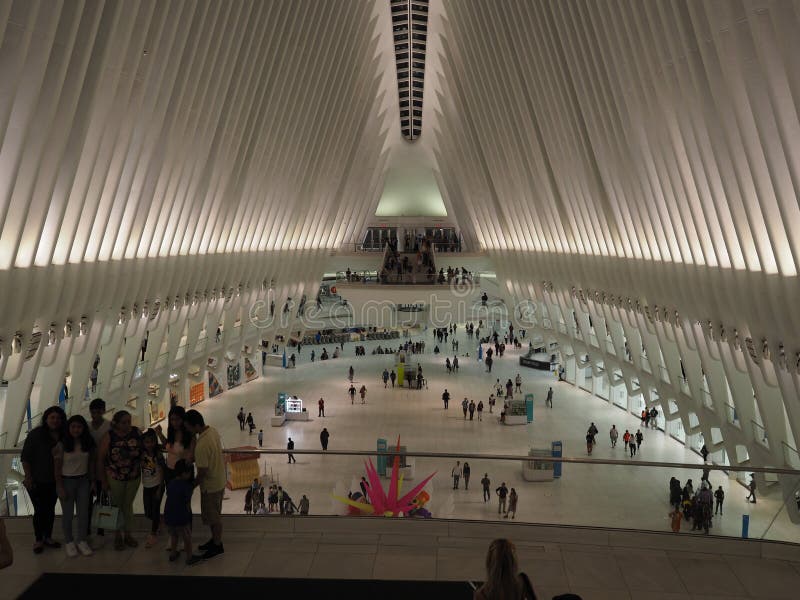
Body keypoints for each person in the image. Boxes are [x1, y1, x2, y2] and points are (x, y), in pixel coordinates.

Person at [22, 406, 67, 554]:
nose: (55, 421)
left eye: (58, 418)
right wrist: (28, 477)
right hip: (37, 480)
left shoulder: (63, 435)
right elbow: (26, 457)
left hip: (54, 480)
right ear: (46, 419)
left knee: (49, 510)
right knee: (39, 510)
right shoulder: (36, 435)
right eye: (52, 417)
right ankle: (38, 539)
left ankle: (48, 536)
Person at [184, 409, 226, 560]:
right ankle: (214, 540)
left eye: (187, 426)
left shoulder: (202, 445)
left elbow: (201, 472)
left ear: (194, 425)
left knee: (214, 518)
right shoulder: (212, 431)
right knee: (213, 515)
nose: (186, 430)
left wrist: (191, 486)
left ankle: (217, 545)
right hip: (220, 480)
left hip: (211, 486)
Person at [97, 410, 142, 550]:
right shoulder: (109, 436)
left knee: (127, 505)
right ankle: (117, 536)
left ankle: (128, 534)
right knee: (116, 506)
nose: (127, 425)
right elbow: (100, 459)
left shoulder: (136, 432)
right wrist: (103, 481)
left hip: (133, 476)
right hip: (115, 476)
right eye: (124, 422)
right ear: (116, 423)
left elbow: (144, 449)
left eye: (129, 421)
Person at [53, 414, 95, 557]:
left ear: (83, 428)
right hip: (67, 481)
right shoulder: (62, 444)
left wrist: (93, 481)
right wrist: (59, 486)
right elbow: (57, 468)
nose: (76, 430)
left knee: (83, 513)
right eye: (73, 427)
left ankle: (82, 540)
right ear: (68, 428)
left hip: (83, 481)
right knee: (68, 514)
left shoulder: (87, 443)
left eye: (79, 427)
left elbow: (90, 464)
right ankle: (69, 542)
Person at [164, 459, 201, 565]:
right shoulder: (185, 486)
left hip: (169, 515)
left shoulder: (171, 483)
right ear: (184, 473)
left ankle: (173, 554)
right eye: (189, 473)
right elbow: (186, 500)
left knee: (174, 535)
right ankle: (189, 557)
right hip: (181, 516)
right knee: (187, 536)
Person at [87, 399, 111, 543]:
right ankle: (88, 529)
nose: (95, 414)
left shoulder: (109, 426)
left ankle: (101, 529)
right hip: (90, 469)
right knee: (88, 501)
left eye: (98, 411)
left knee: (103, 499)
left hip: (104, 469)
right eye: (93, 412)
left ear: (103, 411)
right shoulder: (87, 427)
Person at [139, 428, 166, 548]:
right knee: (148, 512)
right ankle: (159, 520)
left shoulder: (158, 454)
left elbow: (163, 470)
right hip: (147, 485)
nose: (149, 444)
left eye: (151, 441)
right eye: (146, 442)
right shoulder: (141, 453)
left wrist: (160, 488)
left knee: (155, 510)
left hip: (158, 485)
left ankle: (153, 534)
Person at [155, 406, 196, 483]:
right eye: (172, 419)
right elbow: (168, 445)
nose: (174, 422)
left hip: (183, 473)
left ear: (183, 419)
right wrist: (159, 433)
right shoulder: (172, 431)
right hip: (169, 470)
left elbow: (192, 457)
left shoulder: (190, 434)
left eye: (177, 419)